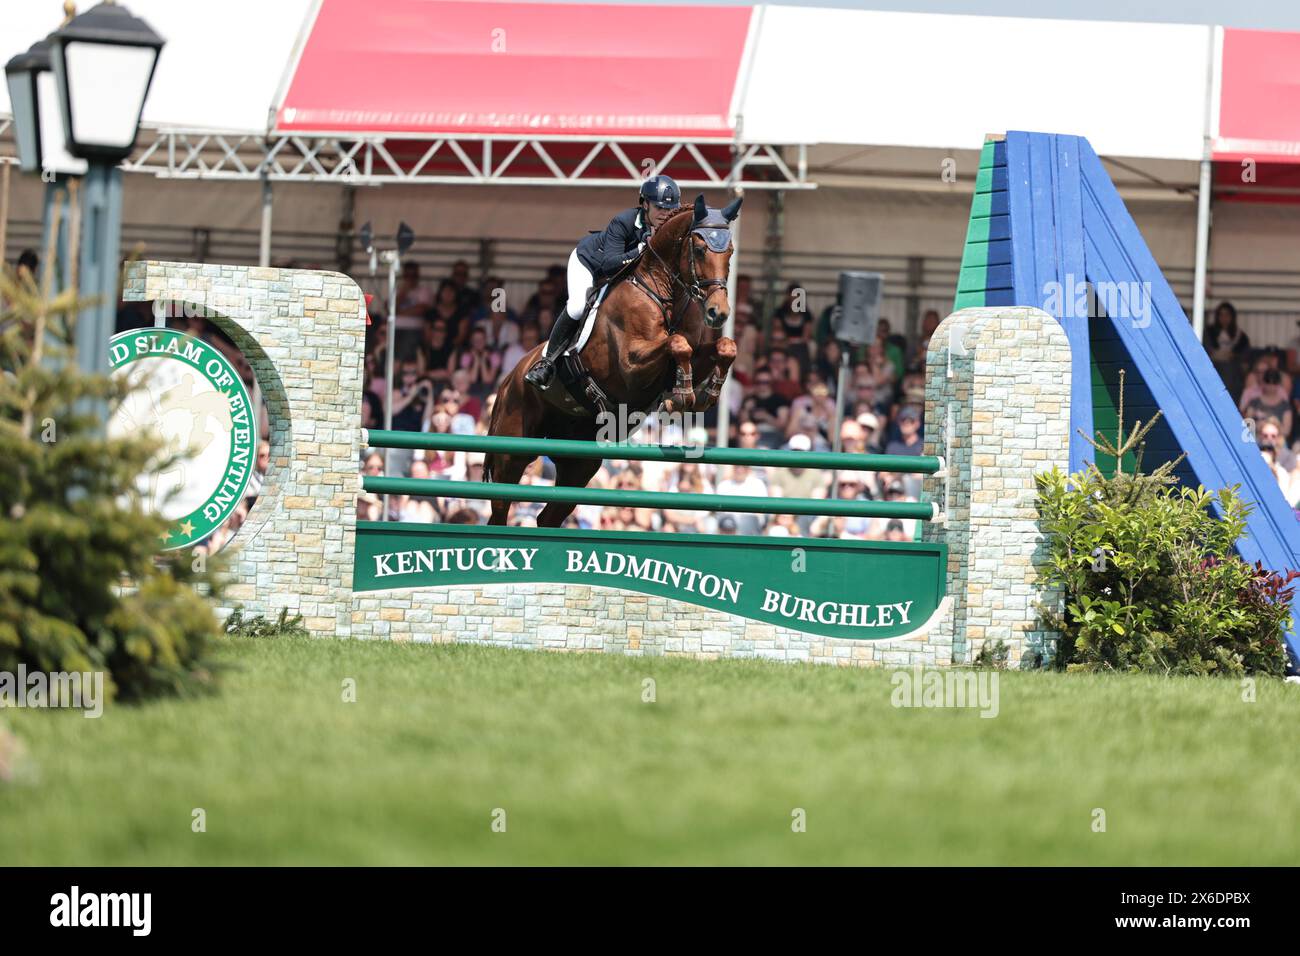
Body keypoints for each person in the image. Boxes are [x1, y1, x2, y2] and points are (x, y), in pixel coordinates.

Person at [525, 175, 682, 389]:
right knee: (578, 306)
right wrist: (641, 249)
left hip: (622, 274)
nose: (665, 214)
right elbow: (609, 265)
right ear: (644, 204)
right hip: (591, 263)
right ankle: (547, 362)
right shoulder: (624, 221)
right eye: (659, 208)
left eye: (670, 209)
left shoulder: (669, 229)